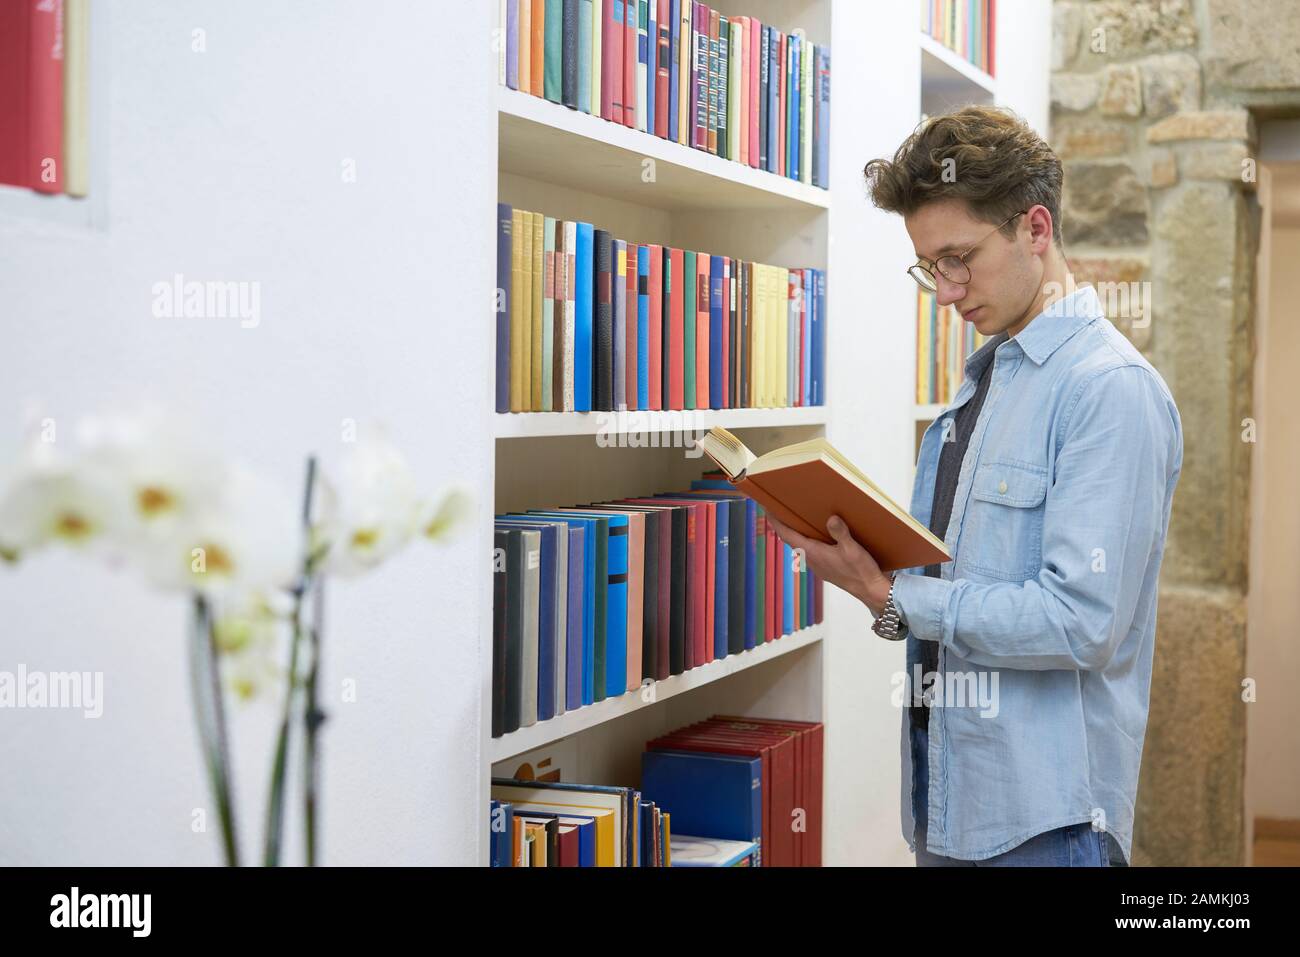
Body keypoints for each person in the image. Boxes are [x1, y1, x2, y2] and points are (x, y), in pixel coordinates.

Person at [766, 105, 1183, 867]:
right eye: (931, 266)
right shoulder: (983, 380)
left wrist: (895, 597)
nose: (948, 291)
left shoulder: (1109, 390)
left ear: (1035, 228)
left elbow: (1081, 621)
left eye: (960, 257)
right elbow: (960, 591)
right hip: (947, 801)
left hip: (1046, 825)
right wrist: (885, 588)